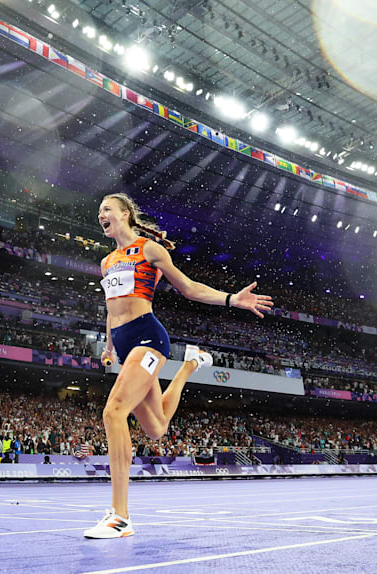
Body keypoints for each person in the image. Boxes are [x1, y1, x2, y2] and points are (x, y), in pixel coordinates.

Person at [84, 193, 273, 539]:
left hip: (148, 339)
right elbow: (110, 309)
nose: (101, 216)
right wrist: (109, 346)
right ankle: (188, 366)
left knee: (113, 413)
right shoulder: (107, 261)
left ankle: (120, 515)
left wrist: (232, 299)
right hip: (126, 348)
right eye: (99, 212)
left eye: (106, 210)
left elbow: (188, 289)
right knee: (156, 428)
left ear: (125, 213)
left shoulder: (149, 250)